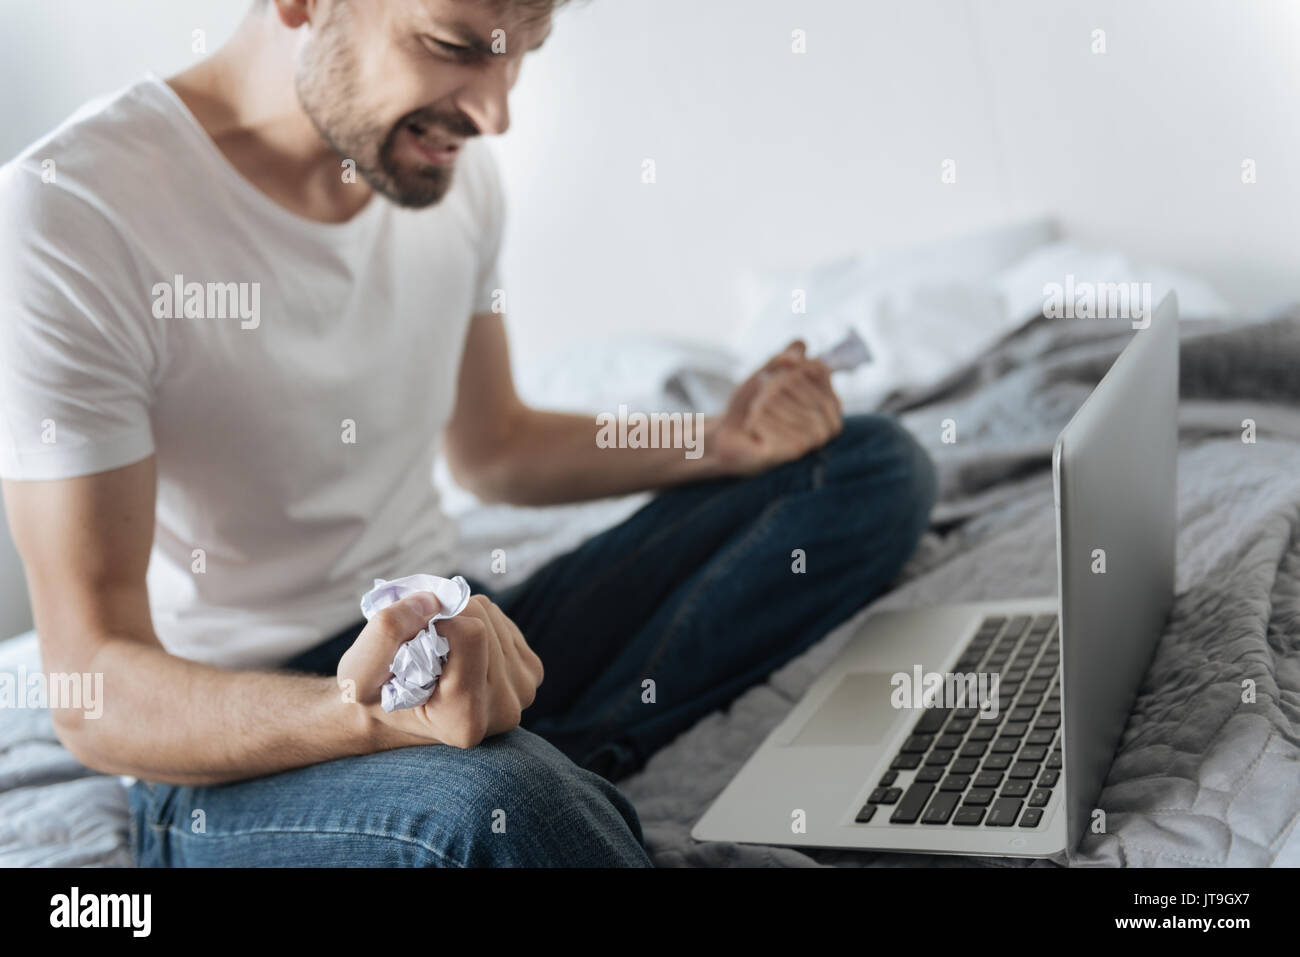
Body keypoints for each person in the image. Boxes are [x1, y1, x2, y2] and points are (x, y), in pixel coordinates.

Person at [0, 0, 935, 867]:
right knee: (508, 805)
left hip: (456, 632)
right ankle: (528, 781)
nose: (494, 116)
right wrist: (363, 715)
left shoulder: (440, 168)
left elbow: (494, 447)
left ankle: (531, 761)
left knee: (863, 466)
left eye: (521, 58)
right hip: (228, 746)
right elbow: (93, 690)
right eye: (452, 48)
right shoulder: (70, 213)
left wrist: (717, 444)